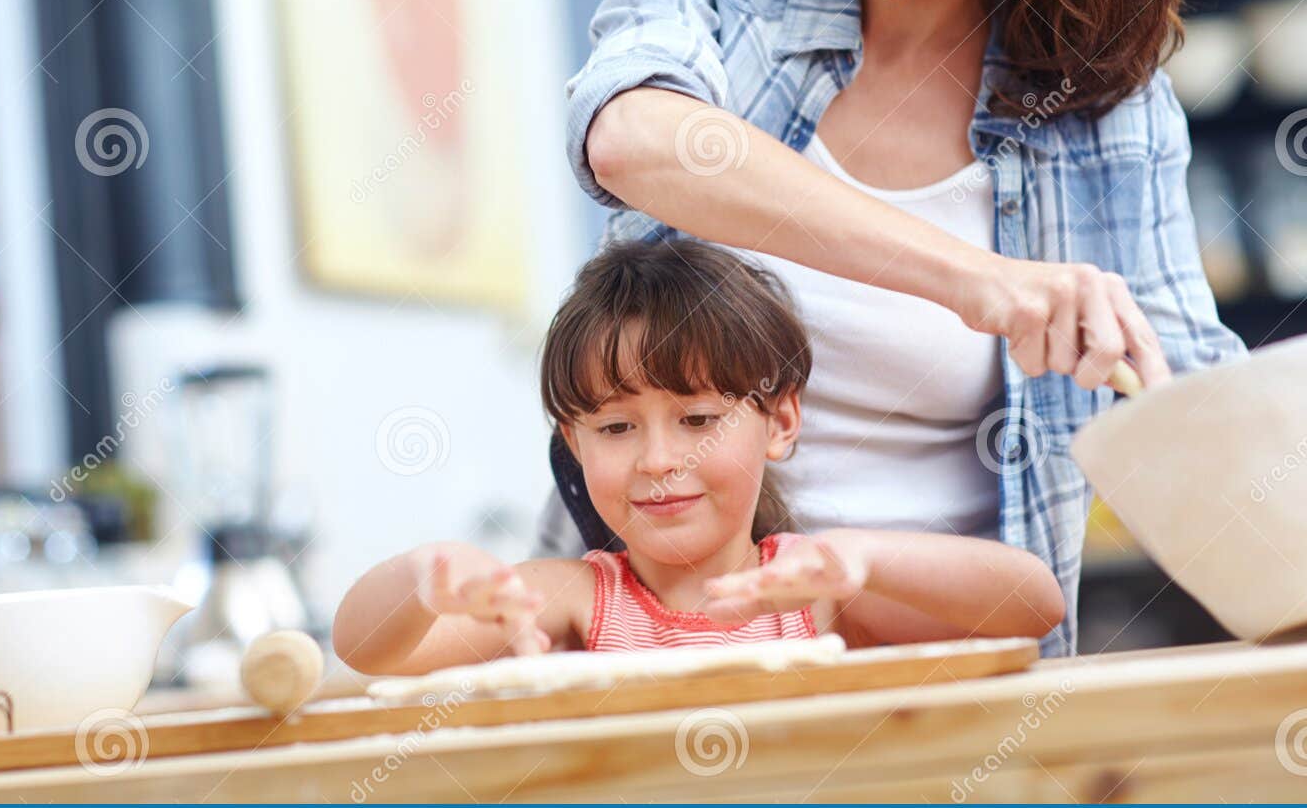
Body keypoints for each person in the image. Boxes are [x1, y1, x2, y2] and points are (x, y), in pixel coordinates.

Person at [537, 0, 1246, 660]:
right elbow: (631, 137)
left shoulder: (1106, 103)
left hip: (952, 686)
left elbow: (1197, 405)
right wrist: (974, 281)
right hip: (656, 653)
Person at [333, 240, 1063, 677]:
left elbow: (1032, 606)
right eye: (616, 429)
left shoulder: (813, 593)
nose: (657, 459)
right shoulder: (573, 600)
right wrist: (423, 578)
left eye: (698, 420)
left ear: (780, 420)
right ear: (573, 445)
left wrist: (862, 557)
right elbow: (373, 652)